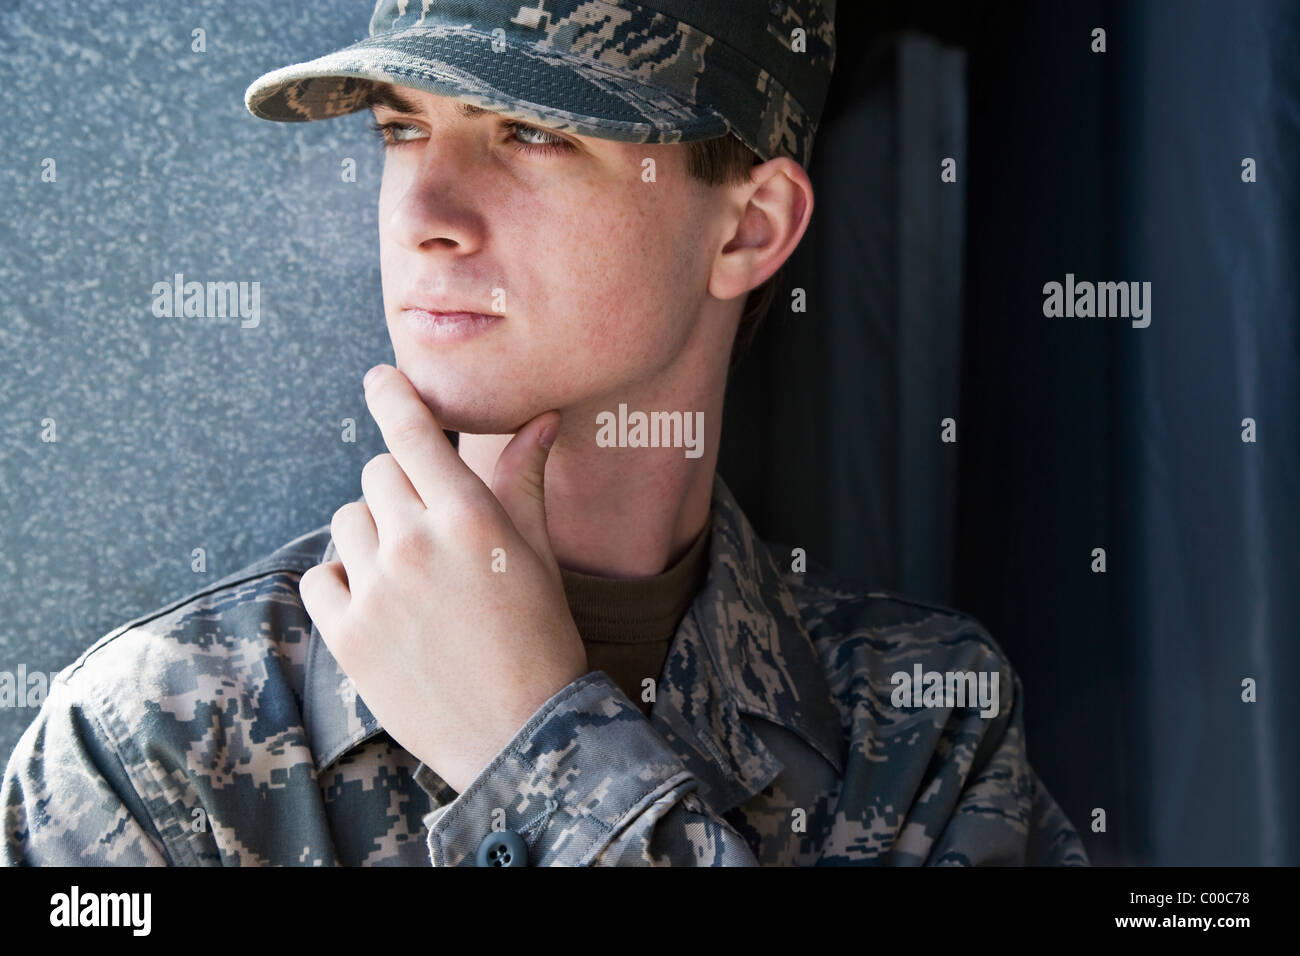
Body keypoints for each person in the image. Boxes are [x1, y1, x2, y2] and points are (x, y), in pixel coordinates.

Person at [1, 0, 1088, 866]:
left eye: (532, 132)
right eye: (401, 126)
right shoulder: (162, 735)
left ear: (748, 227)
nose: (425, 208)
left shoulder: (919, 727)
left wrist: (527, 744)